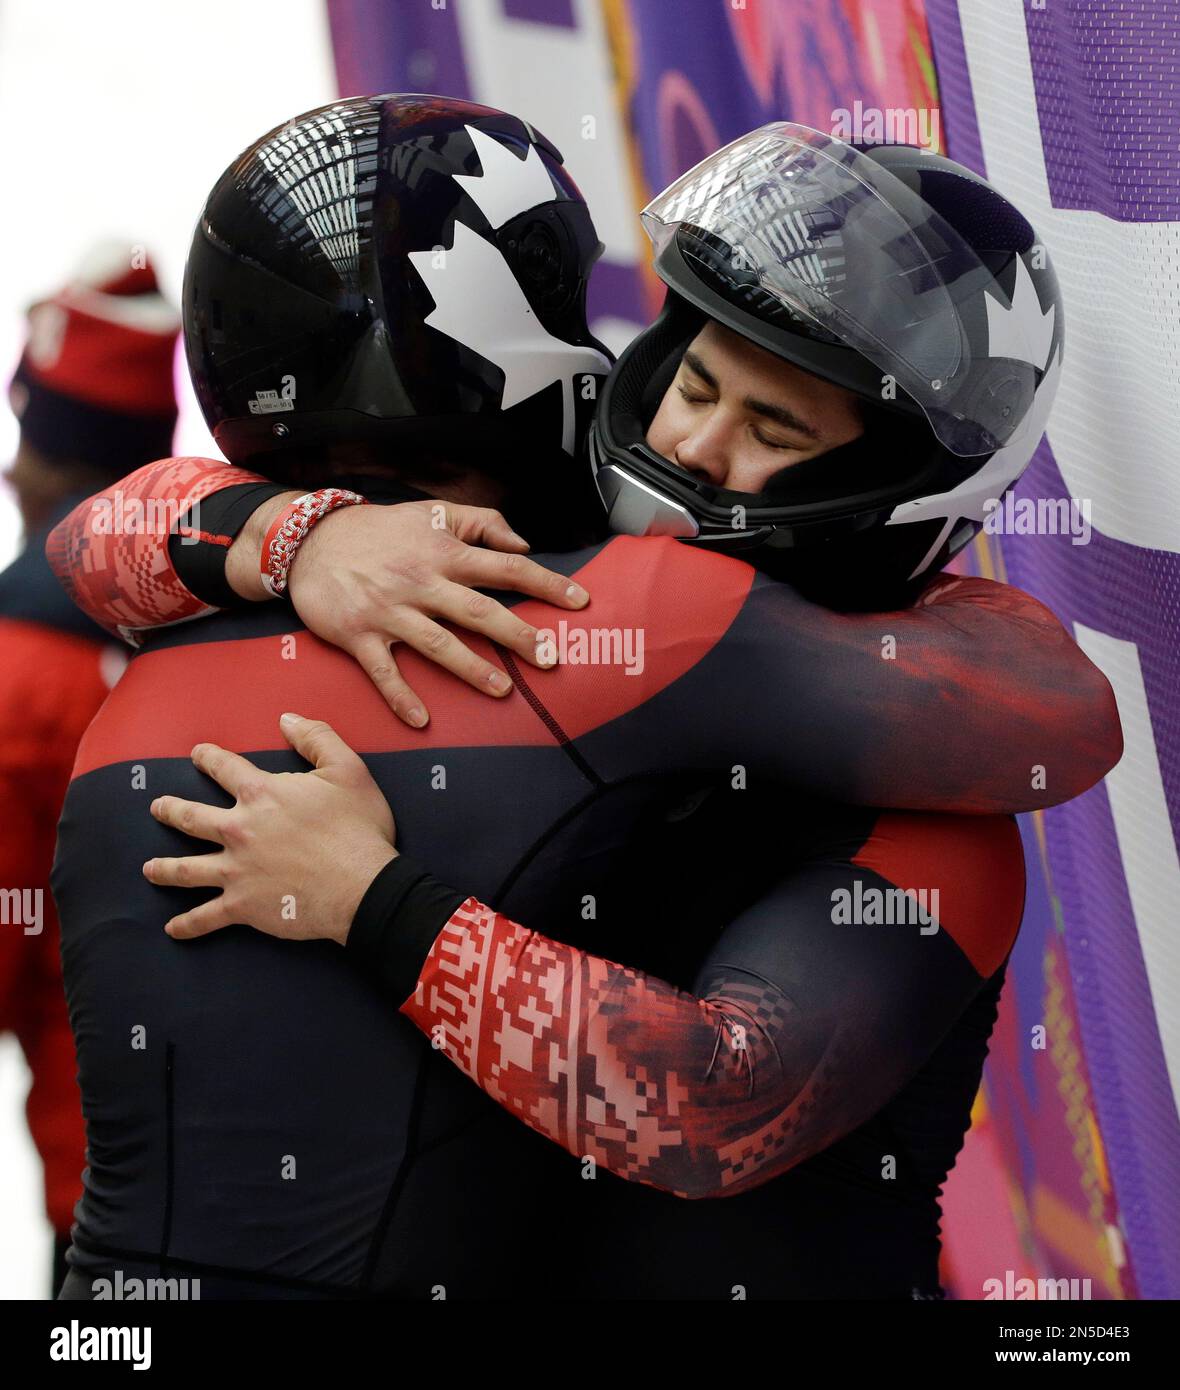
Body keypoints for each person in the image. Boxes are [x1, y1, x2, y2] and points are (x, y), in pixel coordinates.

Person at [49, 101, 1118, 1298]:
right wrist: (302, 537)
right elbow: (95, 538)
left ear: (887, 483)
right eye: (696, 383)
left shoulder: (940, 805)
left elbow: (713, 1107)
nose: (700, 446)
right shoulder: (557, 583)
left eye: (773, 426)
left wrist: (377, 903)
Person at [0, 245, 178, 1294]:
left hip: (112, 1205)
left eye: (30, 439)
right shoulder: (265, 624)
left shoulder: (20, 680)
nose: (13, 469)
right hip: (333, 1199)